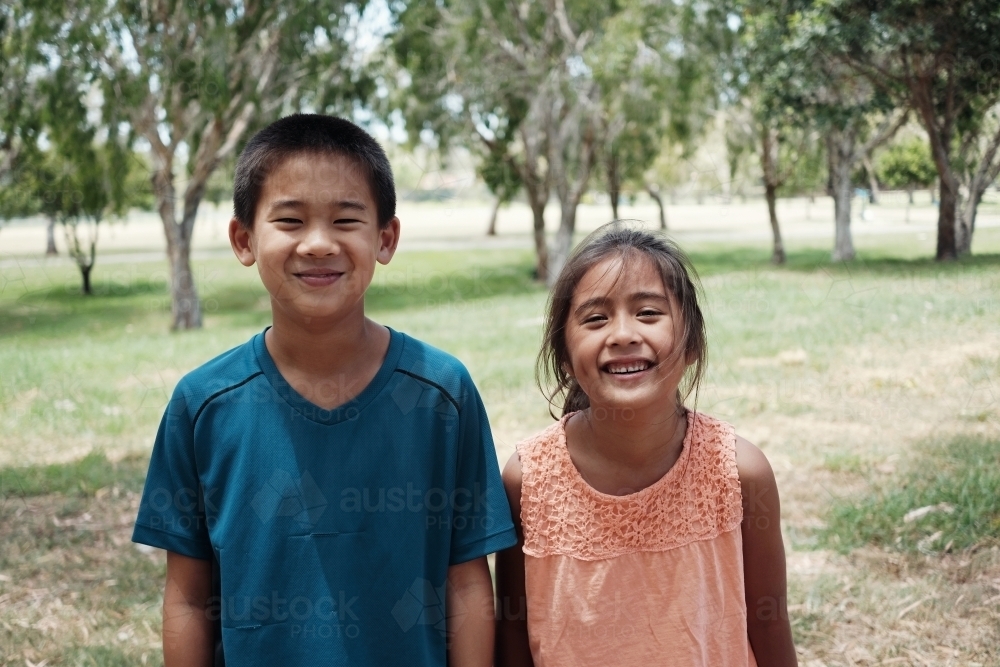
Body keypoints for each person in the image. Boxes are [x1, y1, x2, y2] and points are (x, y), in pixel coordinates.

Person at [132, 114, 517, 666]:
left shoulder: (441, 395)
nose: (317, 244)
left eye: (345, 219)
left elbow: (468, 586)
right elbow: (189, 597)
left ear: (385, 238)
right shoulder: (204, 405)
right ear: (244, 239)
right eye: (290, 220)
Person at [495, 223, 798, 667]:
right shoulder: (527, 480)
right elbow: (513, 632)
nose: (622, 335)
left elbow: (769, 623)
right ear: (564, 352)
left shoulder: (739, 472)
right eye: (595, 318)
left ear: (691, 340)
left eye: (649, 313)